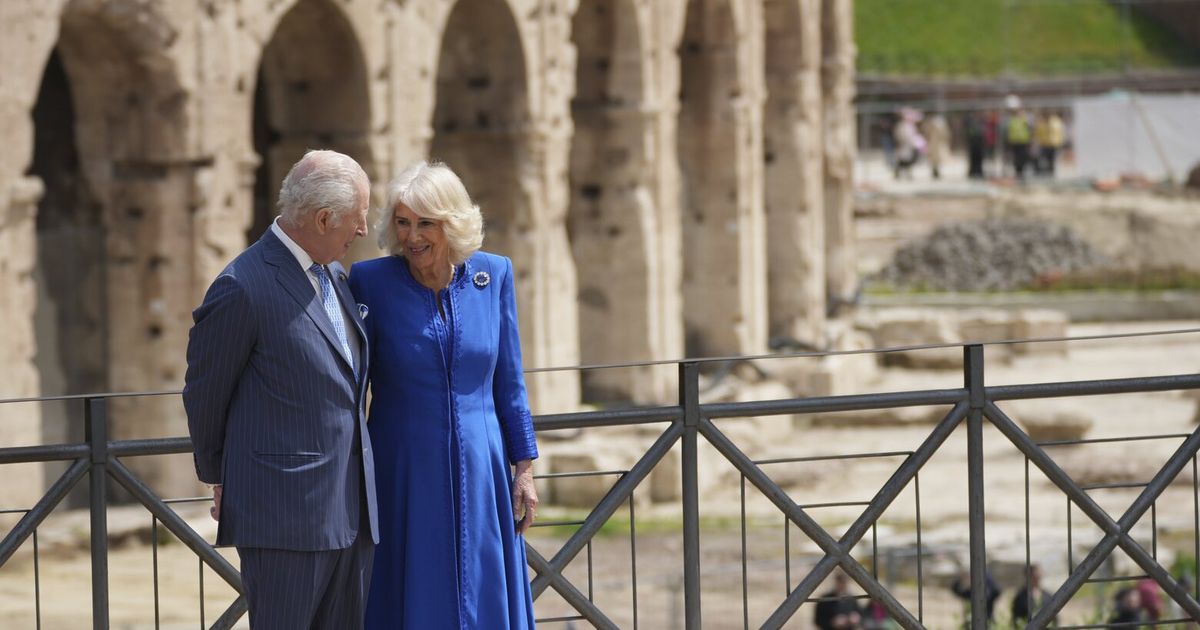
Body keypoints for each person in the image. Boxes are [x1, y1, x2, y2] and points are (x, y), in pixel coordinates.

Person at [183, 149, 378, 629]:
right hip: (284, 520)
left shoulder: (335, 275)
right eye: (358, 217)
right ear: (324, 218)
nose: (363, 230)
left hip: (351, 514)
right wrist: (220, 478)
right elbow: (205, 395)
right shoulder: (242, 286)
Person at [350, 161, 539, 628]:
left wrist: (524, 468)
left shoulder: (494, 274)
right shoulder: (369, 282)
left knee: (484, 589)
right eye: (403, 222)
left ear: (451, 222)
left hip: (484, 468)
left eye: (426, 223)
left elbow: (509, 382)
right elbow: (349, 386)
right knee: (413, 589)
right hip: (402, 470)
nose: (412, 236)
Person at [1033, 111, 1066, 177]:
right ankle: (1043, 172)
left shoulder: (1056, 122)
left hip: (1054, 144)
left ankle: (1051, 173)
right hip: (1044, 145)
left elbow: (1060, 133)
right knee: (1042, 159)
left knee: (1052, 160)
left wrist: (1061, 142)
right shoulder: (1041, 123)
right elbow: (1038, 133)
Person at [922, 112, 951, 180]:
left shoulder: (940, 125)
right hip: (932, 143)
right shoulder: (929, 124)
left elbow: (945, 134)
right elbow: (925, 132)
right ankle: (934, 170)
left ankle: (936, 170)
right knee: (933, 158)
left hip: (938, 144)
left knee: (938, 158)